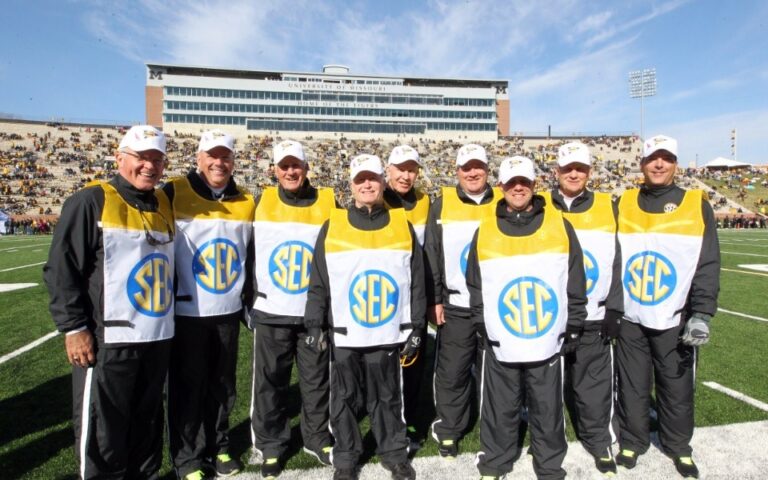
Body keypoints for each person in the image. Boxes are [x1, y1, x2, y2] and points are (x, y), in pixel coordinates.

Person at [43, 125, 175, 479]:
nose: (149, 166)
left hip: (156, 337)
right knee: (104, 432)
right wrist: (73, 328)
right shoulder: (90, 201)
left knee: (147, 426)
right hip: (108, 342)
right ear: (119, 158)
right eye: (141, 158)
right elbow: (61, 269)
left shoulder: (163, 202)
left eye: (157, 160)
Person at [303, 154, 425, 480]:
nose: (367, 184)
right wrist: (314, 324)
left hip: (388, 332)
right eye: (361, 180)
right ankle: (346, 457)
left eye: (372, 178)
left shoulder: (403, 225)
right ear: (352, 185)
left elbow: (416, 281)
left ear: (383, 182)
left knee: (388, 397)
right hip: (345, 333)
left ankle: (394, 453)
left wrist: (416, 327)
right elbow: (319, 281)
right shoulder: (333, 226)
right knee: (342, 399)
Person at [467, 156, 587, 480]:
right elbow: (475, 283)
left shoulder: (560, 224)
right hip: (501, 338)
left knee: (547, 408)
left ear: (534, 185)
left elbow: (575, 277)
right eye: (510, 182)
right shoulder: (486, 227)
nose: (517, 188)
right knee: (499, 406)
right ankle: (495, 461)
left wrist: (575, 321)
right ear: (501, 186)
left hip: (545, 338)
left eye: (523, 182)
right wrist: (480, 322)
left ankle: (549, 465)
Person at [615, 135, 720, 479]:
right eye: (652, 158)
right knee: (632, 385)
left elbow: (707, 261)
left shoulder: (696, 202)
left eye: (666, 158)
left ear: (676, 163)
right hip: (631, 316)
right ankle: (632, 441)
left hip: (676, 316)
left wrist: (702, 312)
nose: (659, 164)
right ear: (642, 164)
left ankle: (679, 446)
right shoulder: (624, 202)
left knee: (676, 388)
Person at [163, 130, 254, 480]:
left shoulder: (246, 199)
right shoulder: (173, 191)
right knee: (187, 388)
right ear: (198, 158)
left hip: (227, 312)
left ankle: (219, 447)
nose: (219, 162)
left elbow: (251, 254)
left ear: (233, 160)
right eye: (212, 156)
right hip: (186, 313)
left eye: (226, 156)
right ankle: (187, 458)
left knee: (222, 386)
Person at [250, 140, 336, 478]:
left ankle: (316, 438)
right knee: (270, 382)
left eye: (295, 165)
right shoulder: (261, 201)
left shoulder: (329, 200)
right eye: (283, 166)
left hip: (313, 313)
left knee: (316, 381)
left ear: (306, 168)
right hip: (272, 312)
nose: (290, 171)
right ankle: (271, 444)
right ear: (273, 170)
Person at [541, 141, 623, 475]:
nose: (574, 174)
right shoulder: (538, 204)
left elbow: (620, 260)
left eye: (581, 168)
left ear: (590, 172)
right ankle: (545, 441)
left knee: (593, 384)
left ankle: (598, 439)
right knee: (545, 386)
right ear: (556, 171)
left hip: (594, 313)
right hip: (549, 315)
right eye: (568, 168)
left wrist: (615, 307)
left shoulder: (609, 205)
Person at [425, 143, 501, 458]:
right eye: (466, 167)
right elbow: (433, 253)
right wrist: (436, 298)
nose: (473, 173)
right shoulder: (441, 205)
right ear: (457, 171)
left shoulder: (503, 201)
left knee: (496, 371)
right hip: (456, 305)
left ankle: (495, 426)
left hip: (497, 304)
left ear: (487, 170)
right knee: (452, 372)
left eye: (478, 167)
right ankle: (449, 428)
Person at [383, 144, 431, 448]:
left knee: (413, 364)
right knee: (380, 364)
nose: (406, 175)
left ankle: (411, 421)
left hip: (416, 295)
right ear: (388, 170)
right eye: (400, 169)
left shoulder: (427, 202)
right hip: (384, 293)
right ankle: (384, 419)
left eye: (411, 169)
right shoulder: (374, 195)